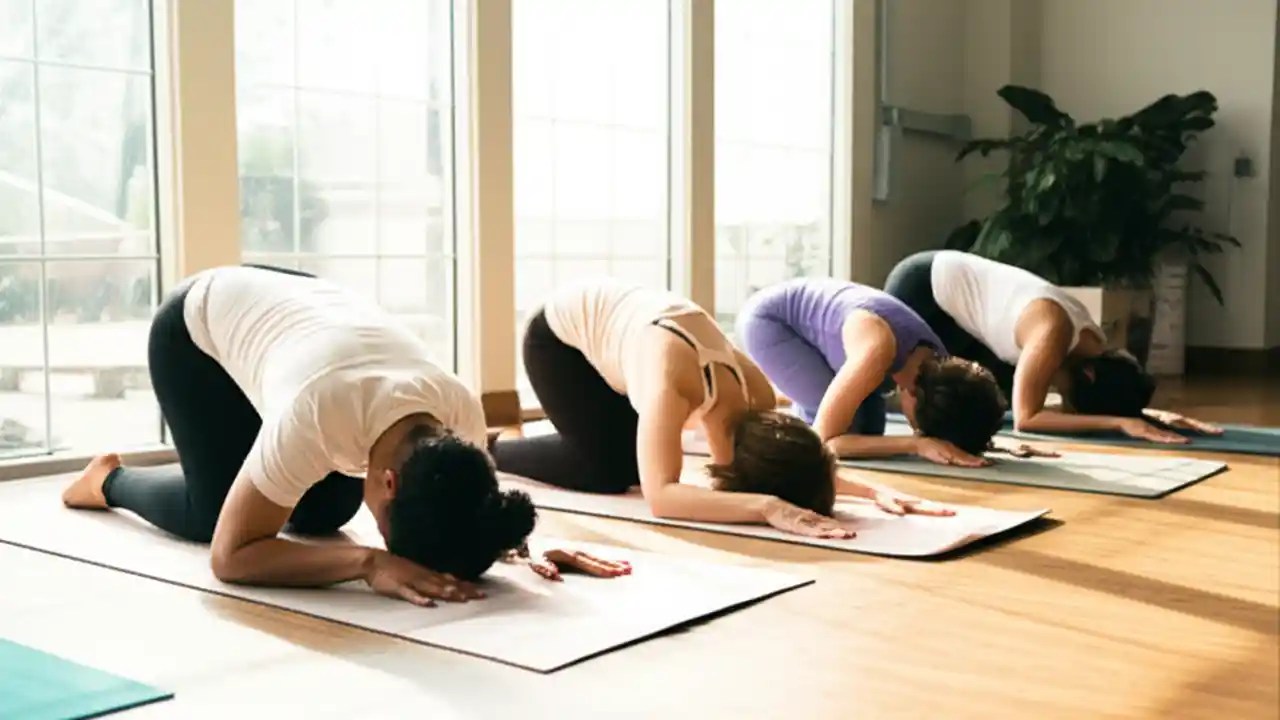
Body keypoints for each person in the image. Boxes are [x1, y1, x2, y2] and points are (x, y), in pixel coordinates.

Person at [61, 265, 627, 608]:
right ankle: (106, 480)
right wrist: (366, 563)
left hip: (304, 311)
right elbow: (230, 559)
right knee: (215, 515)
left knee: (318, 515)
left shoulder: (457, 413)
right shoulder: (317, 411)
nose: (378, 536)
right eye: (382, 529)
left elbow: (469, 505)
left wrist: (520, 550)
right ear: (386, 481)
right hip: (198, 326)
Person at [491, 278, 951, 537]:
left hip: (628, 342)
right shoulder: (673, 386)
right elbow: (661, 497)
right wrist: (768, 507)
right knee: (613, 471)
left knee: (635, 455)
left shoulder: (758, 396)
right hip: (558, 342)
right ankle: (495, 449)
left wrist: (867, 492)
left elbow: (788, 459)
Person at [882, 250, 1223, 443]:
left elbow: (1032, 410)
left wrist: (1144, 415)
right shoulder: (1051, 334)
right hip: (926, 288)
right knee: (912, 399)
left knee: (985, 409)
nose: (1068, 404)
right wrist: (1117, 423)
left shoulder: (1094, 349)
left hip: (972, 325)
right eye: (1075, 402)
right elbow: (1027, 420)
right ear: (1087, 375)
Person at [735, 277, 1008, 467]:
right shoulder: (876, 351)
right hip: (771, 323)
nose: (918, 431)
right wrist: (916, 445)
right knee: (837, 438)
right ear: (911, 394)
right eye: (919, 427)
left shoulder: (939, 361)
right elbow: (827, 441)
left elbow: (964, 408)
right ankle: (766, 418)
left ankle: (789, 395)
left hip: (832, 342)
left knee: (869, 433)